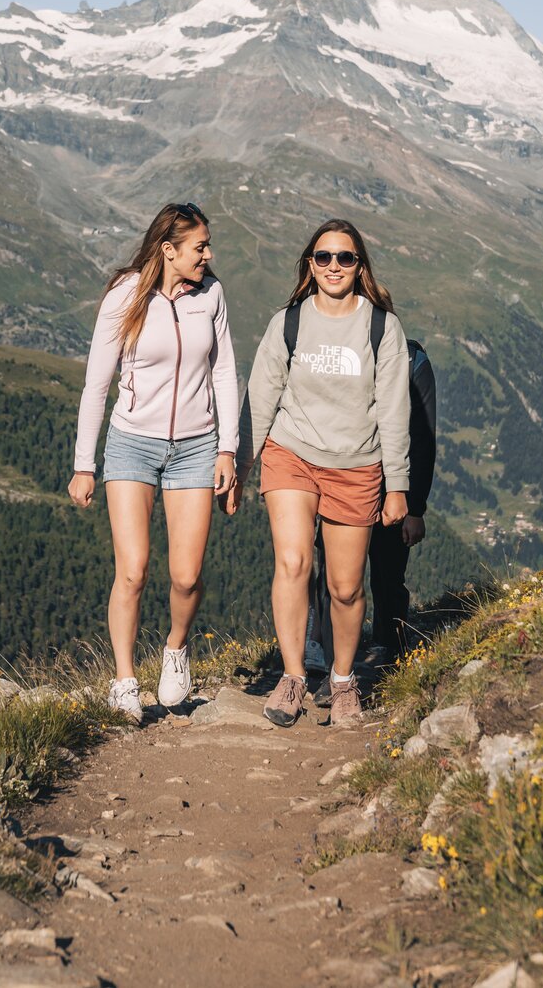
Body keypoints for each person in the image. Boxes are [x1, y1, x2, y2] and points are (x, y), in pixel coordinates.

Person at [232, 218, 410, 729]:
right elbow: (260, 396)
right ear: (310, 264)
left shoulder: (382, 327)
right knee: (292, 563)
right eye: (324, 257)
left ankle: (342, 679)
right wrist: (243, 467)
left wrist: (397, 486)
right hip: (291, 452)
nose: (334, 266)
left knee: (346, 587)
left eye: (345, 258)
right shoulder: (288, 321)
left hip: (356, 464)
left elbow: (395, 411)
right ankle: (292, 677)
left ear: (360, 267)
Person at [68, 202, 238, 724]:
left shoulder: (211, 294)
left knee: (186, 577)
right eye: (200, 247)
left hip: (195, 446)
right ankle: (123, 681)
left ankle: (176, 650)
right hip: (131, 443)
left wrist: (228, 448)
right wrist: (84, 464)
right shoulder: (125, 295)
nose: (209, 255)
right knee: (134, 571)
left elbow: (225, 372)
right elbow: (98, 384)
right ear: (169, 250)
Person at [309, 337, 436, 693]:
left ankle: (392, 653)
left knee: (388, 575)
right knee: (333, 577)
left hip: (391, 491)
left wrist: (415, 507)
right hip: (345, 482)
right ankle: (328, 659)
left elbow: (423, 439)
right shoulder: (344, 354)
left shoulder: (413, 362)